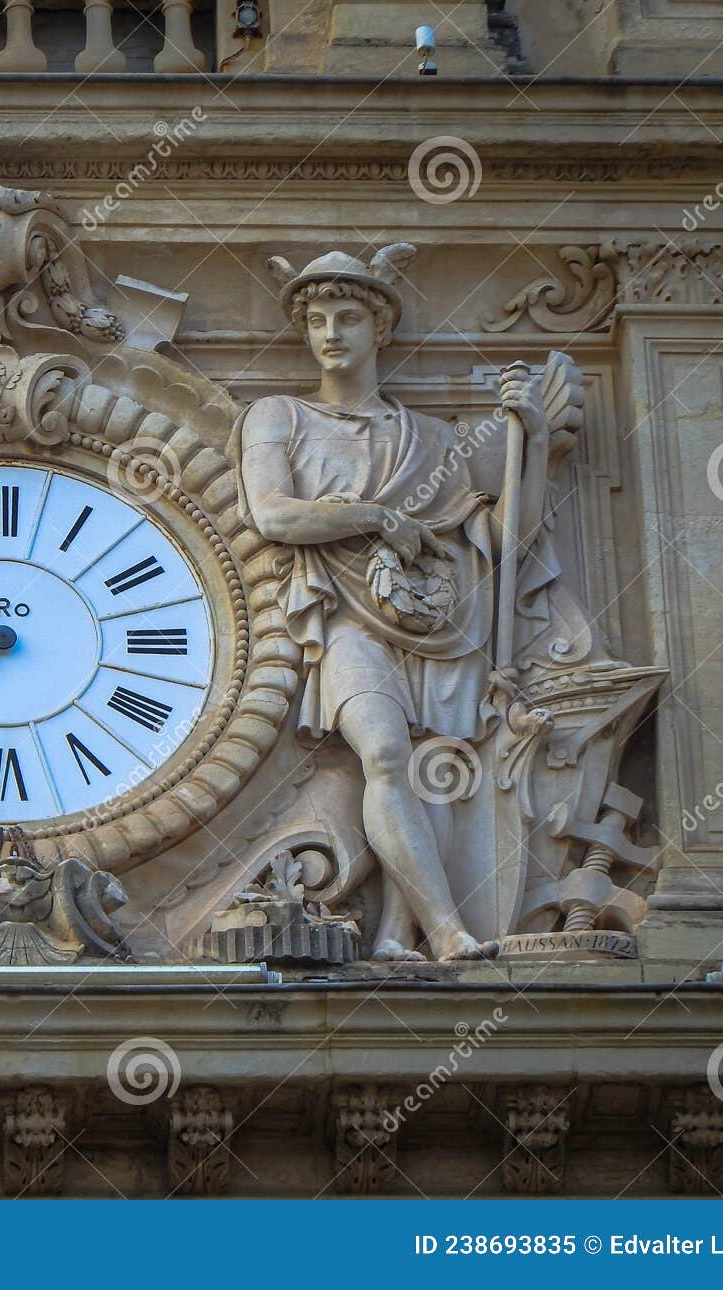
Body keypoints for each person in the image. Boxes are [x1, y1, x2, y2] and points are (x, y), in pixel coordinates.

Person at [239, 246, 548, 961]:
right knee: (383, 752)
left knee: (424, 774)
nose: (329, 333)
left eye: (348, 317)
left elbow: (500, 543)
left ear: (381, 329)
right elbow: (275, 515)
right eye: (316, 320)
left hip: (433, 620)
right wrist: (376, 518)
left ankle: (393, 935)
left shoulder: (432, 437)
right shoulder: (277, 416)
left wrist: (530, 440)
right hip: (343, 618)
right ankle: (446, 931)